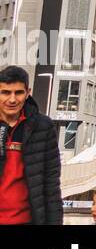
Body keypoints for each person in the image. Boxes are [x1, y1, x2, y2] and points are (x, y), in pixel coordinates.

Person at [0, 65, 62, 225]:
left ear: (28, 92)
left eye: (18, 92)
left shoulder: (43, 126)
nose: (12, 99)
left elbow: (51, 183)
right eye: (5, 92)